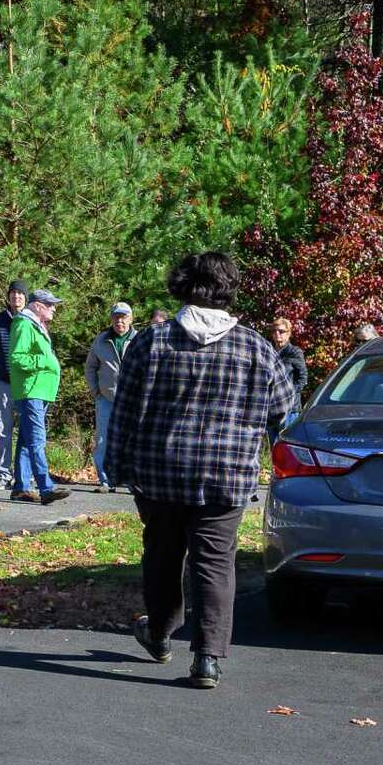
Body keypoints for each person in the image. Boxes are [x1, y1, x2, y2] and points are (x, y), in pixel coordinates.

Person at [107, 252, 298, 689]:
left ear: (181, 285)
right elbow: (285, 409)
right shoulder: (255, 347)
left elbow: (124, 410)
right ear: (229, 289)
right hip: (227, 476)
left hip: (160, 472)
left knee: (161, 555)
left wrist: (116, 464)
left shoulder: (151, 341)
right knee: (215, 563)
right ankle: (208, 658)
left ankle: (158, 634)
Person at [8, 289, 71, 505]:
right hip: (30, 390)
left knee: (26, 441)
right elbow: (17, 358)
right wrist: (43, 362)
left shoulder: (36, 325)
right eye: (50, 304)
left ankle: (21, 487)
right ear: (36, 305)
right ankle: (46, 487)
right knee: (36, 440)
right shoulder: (24, 324)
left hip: (39, 390)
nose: (54, 308)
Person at [84, 302, 135, 492]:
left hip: (132, 400)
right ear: (111, 319)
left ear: (131, 319)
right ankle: (105, 480)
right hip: (106, 398)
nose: (119, 321)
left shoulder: (139, 339)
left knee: (131, 440)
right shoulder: (101, 340)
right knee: (103, 440)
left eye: (123, 317)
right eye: (116, 317)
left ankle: (129, 479)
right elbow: (90, 367)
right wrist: (95, 391)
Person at [0, 280, 29, 488]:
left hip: (25, 385)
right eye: (13, 294)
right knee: (3, 429)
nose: (16, 297)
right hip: (2, 383)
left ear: (25, 297)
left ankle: (23, 474)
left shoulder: (31, 319)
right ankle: (3, 473)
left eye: (20, 294)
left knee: (26, 430)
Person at [271, 317, 307, 399]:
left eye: (281, 331)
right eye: (274, 331)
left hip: (290, 405)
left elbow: (302, 379)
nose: (277, 333)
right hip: (271, 404)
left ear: (288, 333)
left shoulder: (294, 352)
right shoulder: (269, 351)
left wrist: (289, 393)